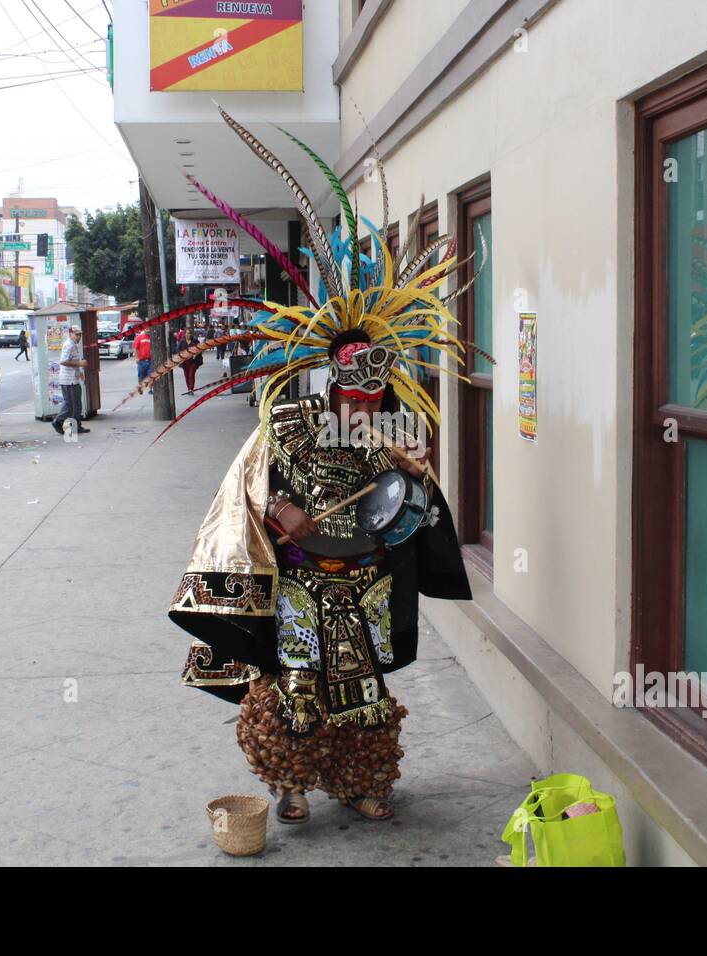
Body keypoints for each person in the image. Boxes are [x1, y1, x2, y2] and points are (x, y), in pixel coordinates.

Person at [164, 104, 478, 827]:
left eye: (377, 383)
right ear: (333, 378)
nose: (364, 397)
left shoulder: (396, 435)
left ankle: (365, 784)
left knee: (362, 691)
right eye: (355, 383)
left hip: (365, 580)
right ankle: (292, 784)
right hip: (302, 580)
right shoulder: (288, 426)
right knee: (299, 688)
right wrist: (284, 515)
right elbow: (245, 493)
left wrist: (415, 492)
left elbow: (413, 514)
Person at [52, 325, 89, 437]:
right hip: (68, 380)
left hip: (73, 379)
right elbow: (63, 361)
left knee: (77, 405)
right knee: (70, 404)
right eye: (77, 334)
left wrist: (80, 372)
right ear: (71, 334)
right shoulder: (68, 345)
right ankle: (58, 421)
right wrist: (79, 364)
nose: (79, 337)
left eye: (80, 334)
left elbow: (75, 360)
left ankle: (77, 426)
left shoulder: (74, 345)